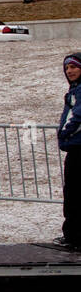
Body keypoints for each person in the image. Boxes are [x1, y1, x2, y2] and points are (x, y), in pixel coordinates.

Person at [57, 51, 81, 249]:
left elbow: (77, 117)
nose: (70, 71)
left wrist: (64, 133)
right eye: (67, 68)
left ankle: (75, 236)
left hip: (78, 147)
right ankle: (72, 234)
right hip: (74, 148)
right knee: (71, 193)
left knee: (75, 193)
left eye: (73, 67)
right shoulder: (74, 90)